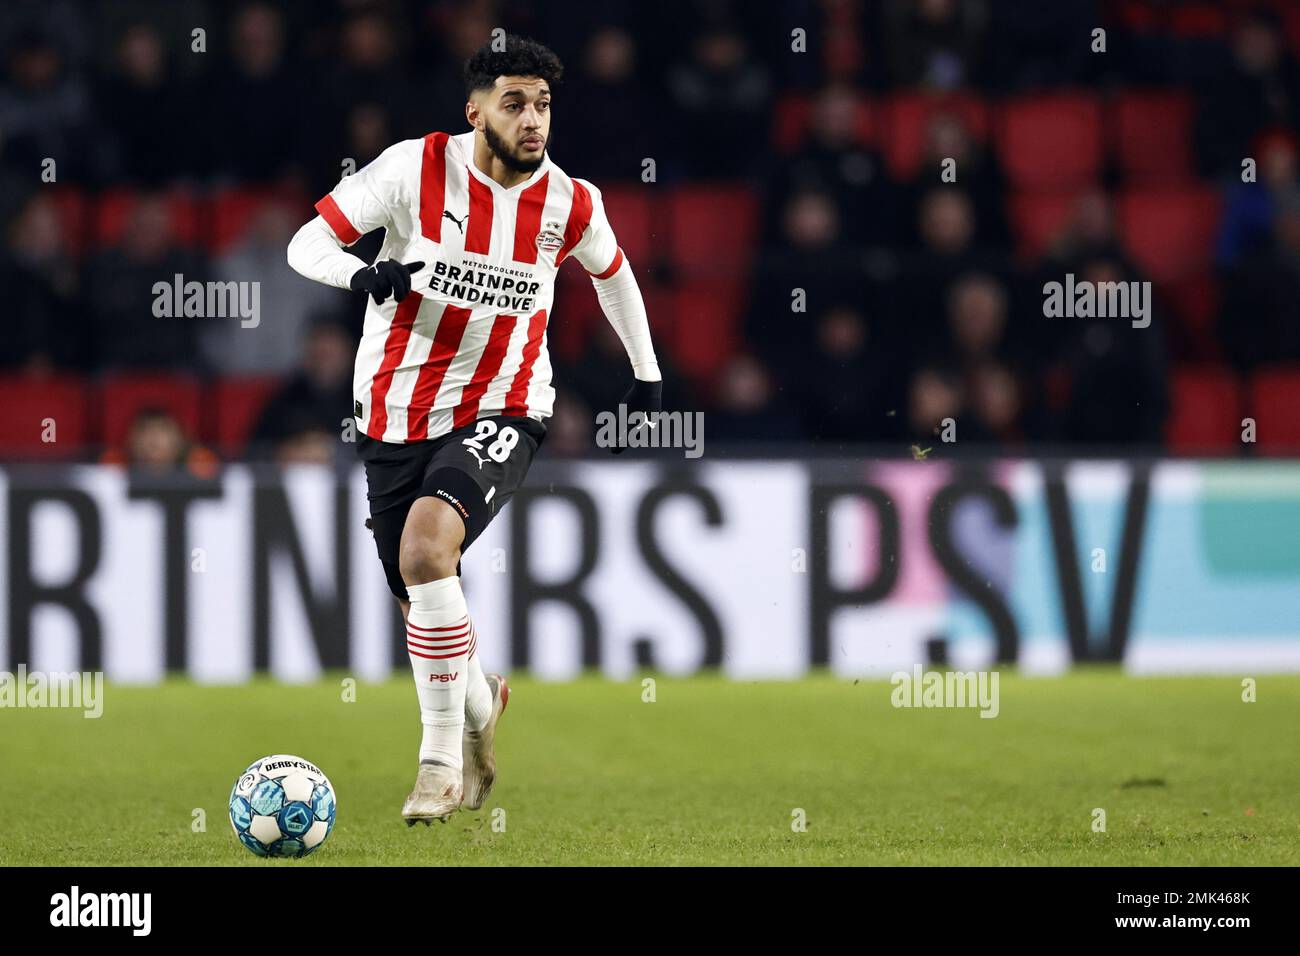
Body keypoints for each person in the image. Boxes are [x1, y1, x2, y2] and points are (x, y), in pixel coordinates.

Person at [287, 35, 662, 825]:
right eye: (516, 103)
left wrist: (648, 373)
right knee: (421, 593)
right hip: (393, 412)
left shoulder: (570, 201)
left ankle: (437, 765)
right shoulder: (410, 169)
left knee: (427, 549)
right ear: (476, 111)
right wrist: (363, 272)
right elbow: (306, 243)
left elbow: (614, 274)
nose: (534, 121)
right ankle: (483, 705)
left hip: (508, 404)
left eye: (544, 105)